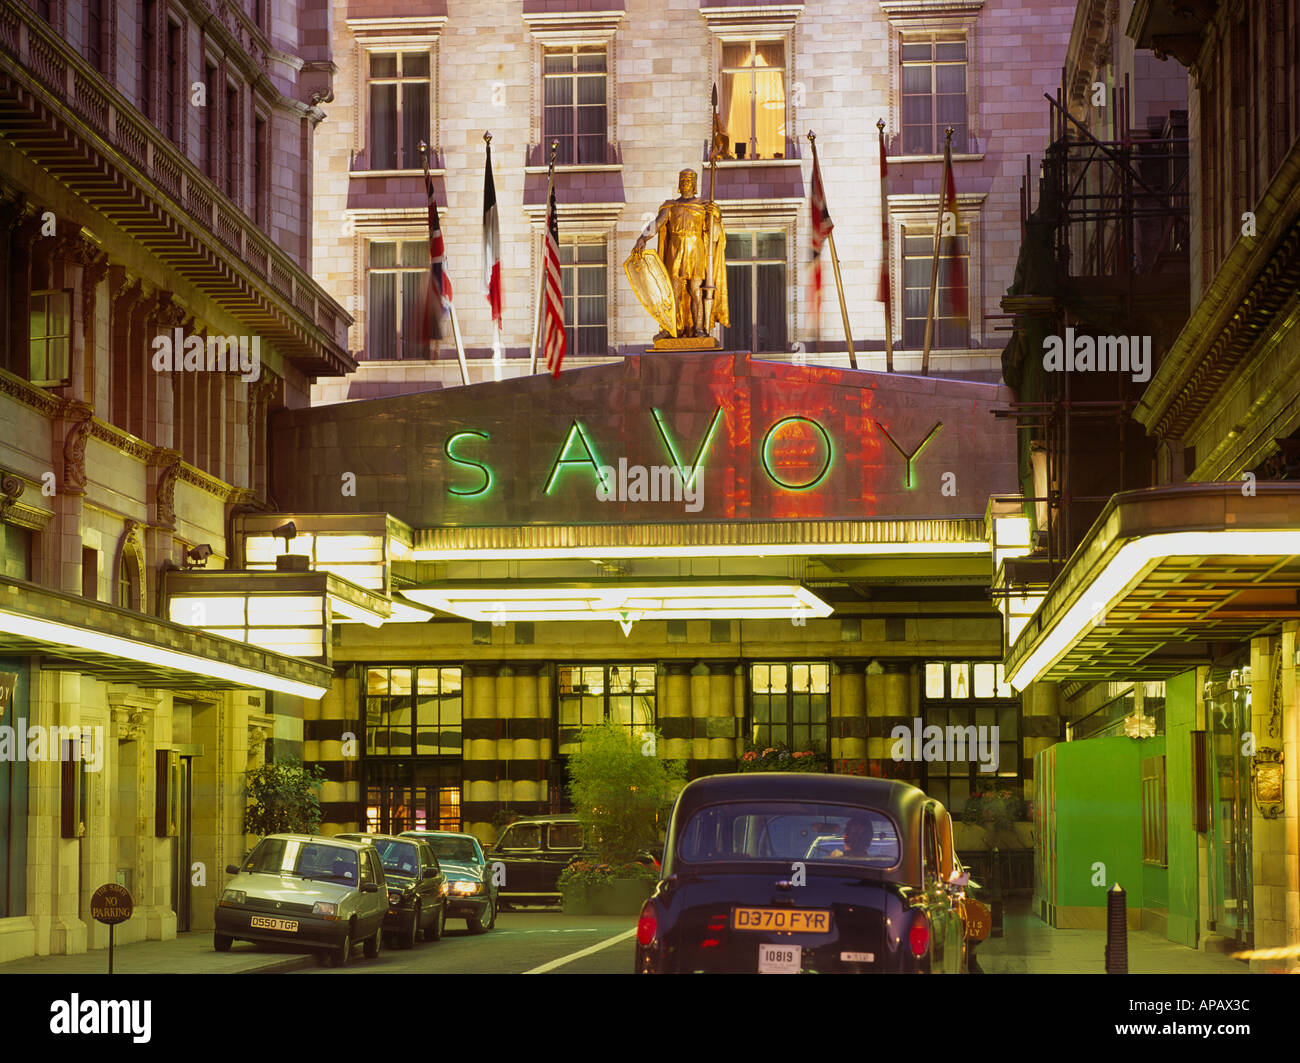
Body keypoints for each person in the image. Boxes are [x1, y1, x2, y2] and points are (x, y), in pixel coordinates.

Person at [633, 169, 729, 338]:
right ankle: (671, 328)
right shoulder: (671, 206)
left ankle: (699, 328)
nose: (685, 183)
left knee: (696, 290)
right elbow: (657, 224)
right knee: (673, 292)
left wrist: (717, 216)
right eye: (683, 180)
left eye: (688, 180)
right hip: (675, 251)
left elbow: (714, 235)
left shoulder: (703, 207)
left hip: (696, 251)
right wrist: (643, 238)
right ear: (679, 184)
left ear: (694, 184)